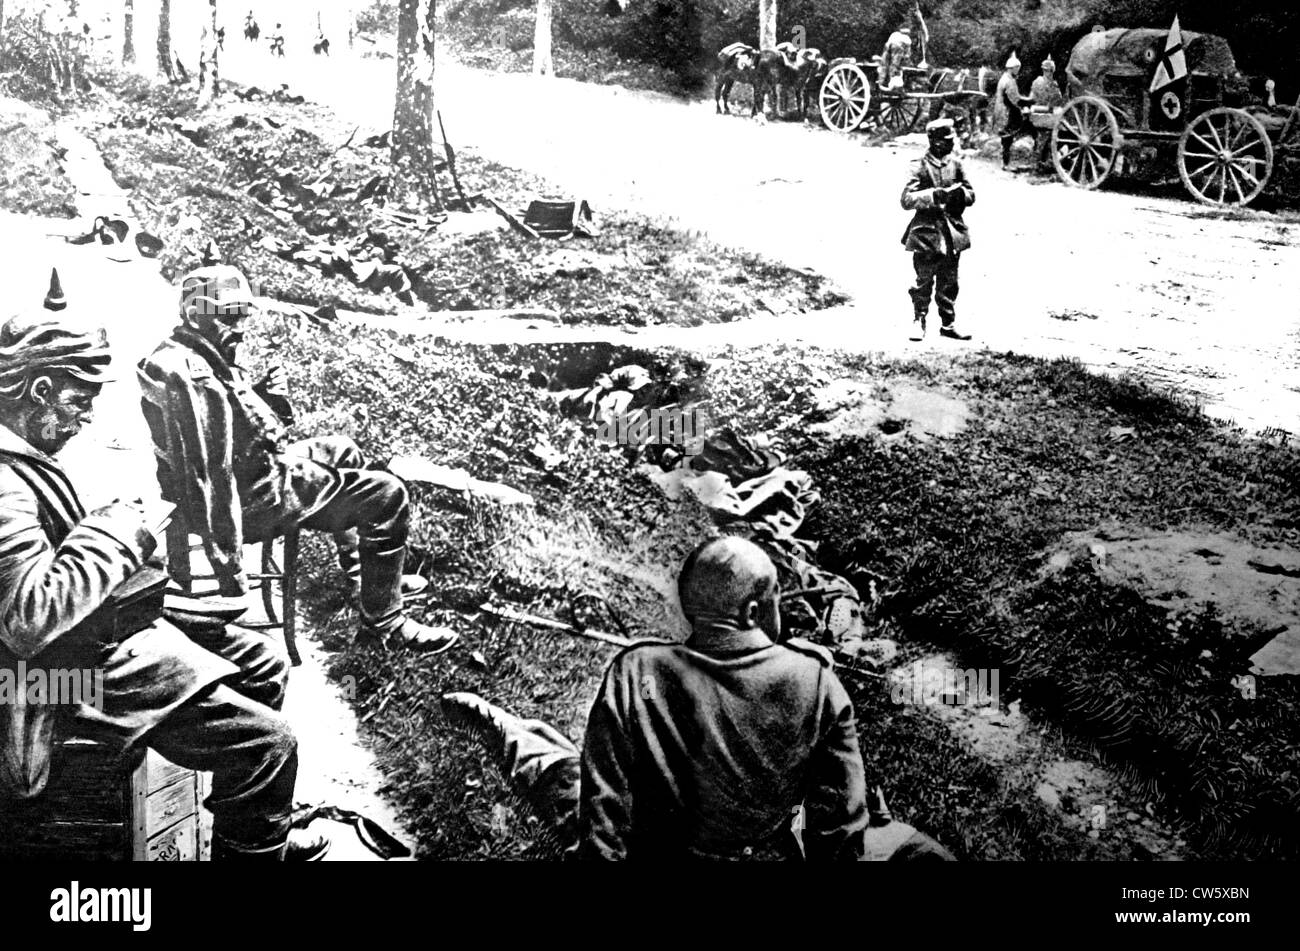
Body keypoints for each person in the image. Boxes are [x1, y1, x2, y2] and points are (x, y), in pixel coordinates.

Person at [0, 282, 325, 860]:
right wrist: (117, 531)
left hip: (74, 650)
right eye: (81, 400)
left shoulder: (22, 456)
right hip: (45, 684)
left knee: (262, 659)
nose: (88, 415)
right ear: (41, 388)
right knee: (269, 743)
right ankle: (254, 828)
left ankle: (253, 822)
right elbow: (27, 618)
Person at [444, 537, 952, 860]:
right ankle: (510, 732)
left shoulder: (635, 668)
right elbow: (838, 831)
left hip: (656, 850)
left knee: (564, 774)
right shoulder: (815, 681)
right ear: (756, 611)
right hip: (763, 851)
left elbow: (605, 810)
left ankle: (509, 732)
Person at [137, 265, 458, 653]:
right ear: (195, 315)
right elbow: (213, 475)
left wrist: (261, 397)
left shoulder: (176, 355)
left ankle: (368, 580)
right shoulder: (199, 378)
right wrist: (230, 570)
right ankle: (385, 625)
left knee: (342, 449)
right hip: (253, 499)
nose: (240, 328)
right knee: (388, 494)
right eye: (229, 317)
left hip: (241, 480)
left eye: (242, 315)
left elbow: (225, 430)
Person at [901, 118, 975, 342]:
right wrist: (933, 196)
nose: (951, 144)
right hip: (926, 231)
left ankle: (948, 324)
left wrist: (960, 195)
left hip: (952, 231)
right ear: (933, 141)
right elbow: (906, 199)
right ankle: (919, 320)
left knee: (949, 280)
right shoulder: (919, 165)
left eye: (952, 139)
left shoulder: (957, 164)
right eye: (946, 140)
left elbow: (971, 193)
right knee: (923, 280)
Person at [992, 51, 1034, 168]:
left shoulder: (1004, 78)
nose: (1018, 70)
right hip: (1007, 111)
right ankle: (1006, 164)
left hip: (1001, 109)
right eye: (1017, 68)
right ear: (1012, 68)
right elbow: (1015, 99)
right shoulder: (1009, 81)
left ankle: (1005, 163)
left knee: (1006, 138)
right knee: (1008, 138)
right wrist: (1030, 100)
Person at [1029, 56, 1064, 168]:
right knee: (1043, 140)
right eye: (1048, 71)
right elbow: (1057, 99)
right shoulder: (1045, 83)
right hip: (1043, 113)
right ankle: (1039, 163)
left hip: (1044, 113)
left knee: (1044, 140)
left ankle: (1042, 161)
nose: (1049, 73)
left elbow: (1058, 100)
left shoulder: (1047, 83)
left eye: (1049, 71)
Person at [880, 24, 913, 89]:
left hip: (890, 50)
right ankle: (891, 83)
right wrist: (906, 56)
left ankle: (884, 82)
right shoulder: (905, 38)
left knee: (887, 65)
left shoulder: (894, 35)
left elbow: (887, 46)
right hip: (895, 50)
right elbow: (907, 52)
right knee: (894, 65)